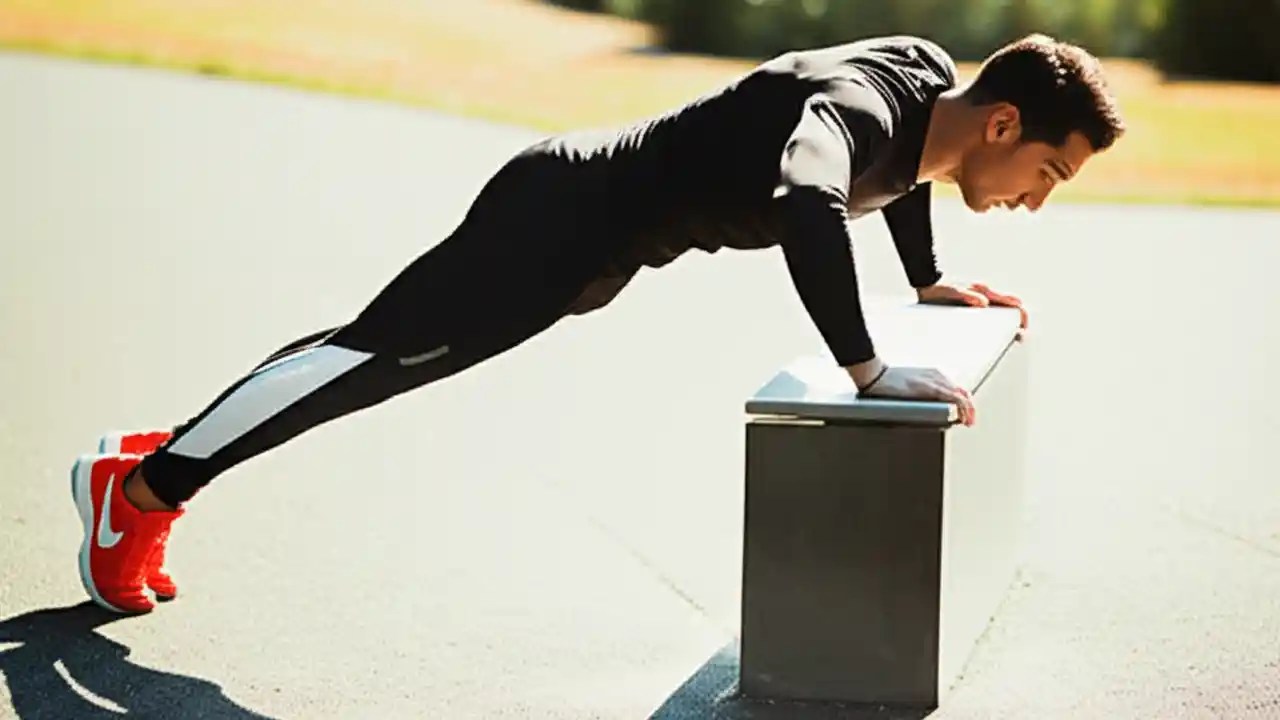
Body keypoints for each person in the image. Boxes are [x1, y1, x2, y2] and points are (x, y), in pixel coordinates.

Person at [71, 32, 1125, 613]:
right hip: (557, 221)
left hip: (584, 234)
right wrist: (866, 368)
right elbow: (813, 191)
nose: (1037, 200)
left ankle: (150, 466)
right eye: (1049, 172)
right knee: (368, 362)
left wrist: (928, 279)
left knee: (366, 354)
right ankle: (148, 486)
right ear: (1003, 123)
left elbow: (904, 174)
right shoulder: (863, 105)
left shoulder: (928, 86)